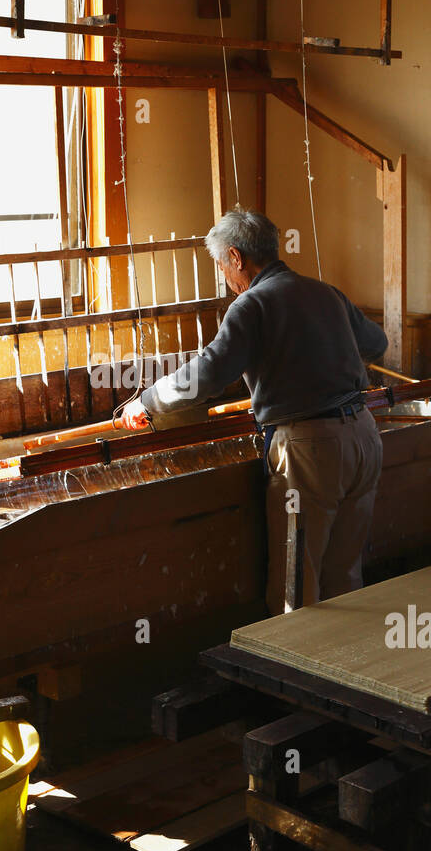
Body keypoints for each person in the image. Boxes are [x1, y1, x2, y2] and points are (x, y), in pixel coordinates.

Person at [119, 210, 388, 611]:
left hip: (310, 448)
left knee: (297, 586)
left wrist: (148, 400)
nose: (226, 279)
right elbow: (376, 342)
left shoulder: (251, 305)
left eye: (221, 266)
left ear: (236, 257)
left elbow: (207, 375)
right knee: (344, 577)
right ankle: (346, 669)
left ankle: (295, 671)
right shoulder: (326, 292)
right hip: (364, 437)